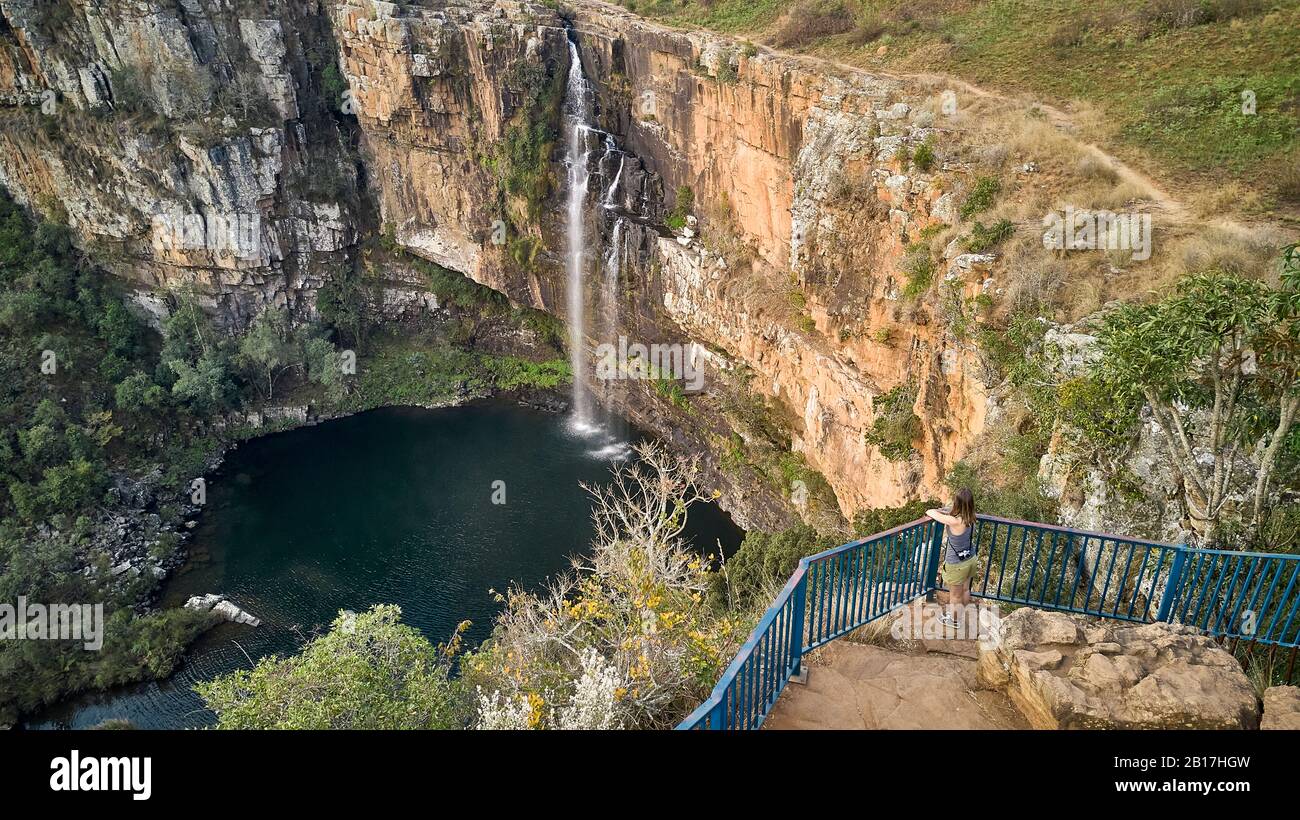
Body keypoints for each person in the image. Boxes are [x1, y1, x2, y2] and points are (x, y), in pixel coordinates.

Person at [926, 489, 977, 629]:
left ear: (957, 504)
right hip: (970, 559)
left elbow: (930, 512)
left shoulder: (954, 521)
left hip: (957, 563)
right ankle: (958, 614)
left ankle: (954, 621)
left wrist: (940, 510)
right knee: (965, 590)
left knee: (955, 595)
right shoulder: (971, 517)